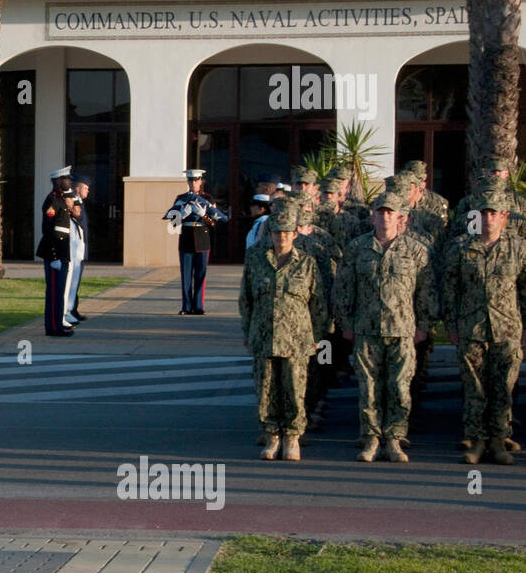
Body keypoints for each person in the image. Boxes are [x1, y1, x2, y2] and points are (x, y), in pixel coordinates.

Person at [332, 191, 436, 463]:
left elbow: (426, 292)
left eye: (391, 212)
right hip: (367, 329)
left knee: (400, 388)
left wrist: (424, 326)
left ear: (401, 217)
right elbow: (343, 288)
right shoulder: (357, 248)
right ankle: (370, 438)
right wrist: (345, 323)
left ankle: (394, 438)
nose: (385, 216)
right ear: (372, 215)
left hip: (403, 330)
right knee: (369, 388)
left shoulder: (416, 250)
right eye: (381, 211)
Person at [441, 190, 526, 465]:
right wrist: (451, 326)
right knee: (474, 388)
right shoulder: (461, 248)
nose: (488, 218)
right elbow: (450, 291)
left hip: (507, 329)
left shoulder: (518, 248)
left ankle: (499, 440)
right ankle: (476, 441)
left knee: (503, 388)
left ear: (504, 217)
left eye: (493, 213)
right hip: (471, 328)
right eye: (483, 213)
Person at [239, 200, 327, 461]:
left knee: (294, 389)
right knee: (266, 388)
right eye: (277, 232)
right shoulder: (256, 258)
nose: (282, 237)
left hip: (297, 339)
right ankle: (271, 435)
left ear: (295, 234)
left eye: (287, 232)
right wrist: (248, 331)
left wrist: (317, 338)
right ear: (271, 233)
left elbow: (318, 303)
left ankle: (292, 437)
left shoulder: (307, 263)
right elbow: (246, 299)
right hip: (264, 334)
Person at [164, 169, 227, 315]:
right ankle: (186, 306)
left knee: (200, 274)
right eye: (190, 180)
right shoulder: (181, 198)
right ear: (187, 182)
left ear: (201, 181)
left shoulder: (208, 199)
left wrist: (204, 215)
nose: (193, 183)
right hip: (186, 237)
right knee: (186, 275)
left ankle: (198, 306)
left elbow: (214, 222)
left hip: (202, 237)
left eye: (196, 180)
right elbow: (173, 224)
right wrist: (181, 215)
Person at [37, 167, 75, 337]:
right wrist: (54, 256)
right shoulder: (52, 200)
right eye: (67, 179)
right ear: (58, 181)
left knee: (59, 291)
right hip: (55, 254)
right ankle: (52, 327)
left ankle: (58, 323)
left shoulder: (62, 199)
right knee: (54, 291)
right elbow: (48, 229)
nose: (70, 182)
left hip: (63, 252)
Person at [66, 176, 90, 326]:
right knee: (72, 281)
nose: (88, 191)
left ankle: (73, 309)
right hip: (73, 250)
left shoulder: (79, 202)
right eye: (86, 188)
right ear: (78, 189)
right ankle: (69, 311)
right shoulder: (72, 202)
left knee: (75, 282)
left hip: (79, 249)